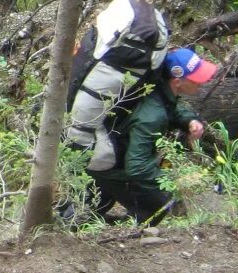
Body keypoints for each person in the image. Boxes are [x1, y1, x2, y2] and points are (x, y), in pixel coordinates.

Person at [86, 48, 214, 224]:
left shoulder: (155, 89)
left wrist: (189, 121)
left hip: (106, 155)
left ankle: (101, 223)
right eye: (195, 79)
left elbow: (171, 107)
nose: (201, 82)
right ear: (177, 81)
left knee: (89, 210)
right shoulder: (153, 116)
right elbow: (137, 167)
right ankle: (127, 233)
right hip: (113, 167)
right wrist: (172, 181)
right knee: (160, 203)